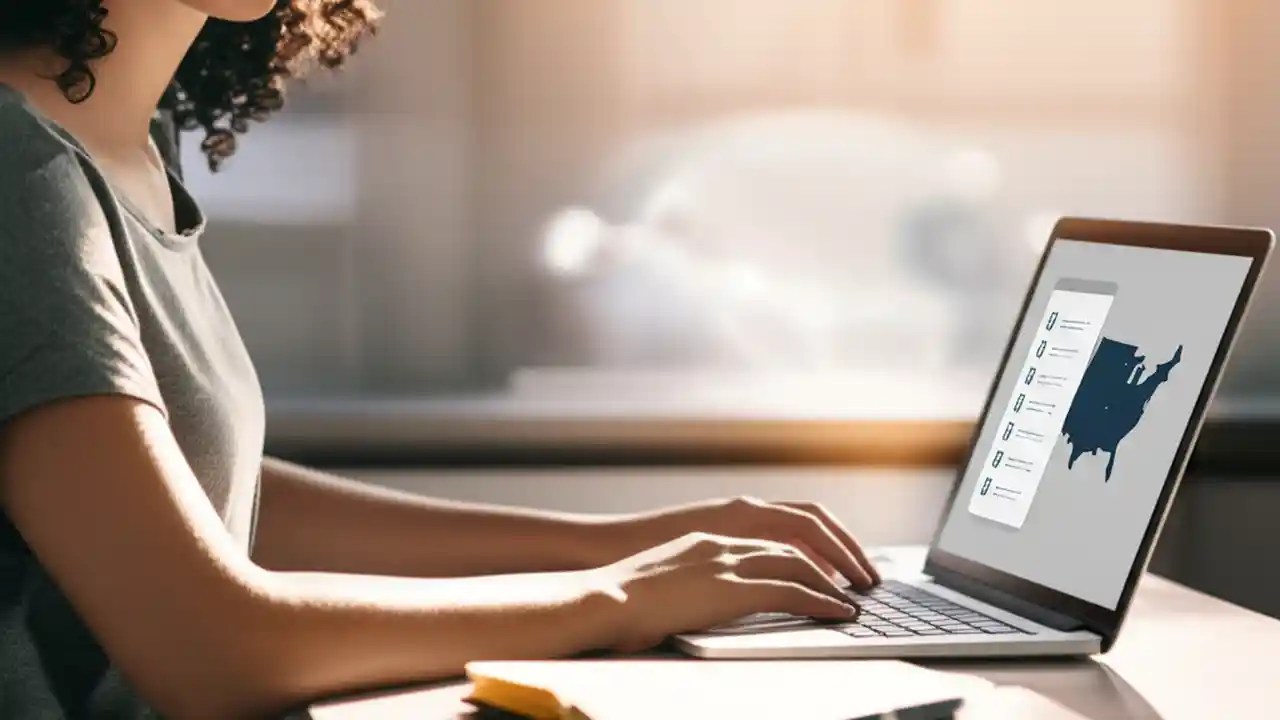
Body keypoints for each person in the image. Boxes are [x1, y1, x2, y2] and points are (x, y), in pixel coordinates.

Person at [0, 2, 880, 717]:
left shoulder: (127, 142)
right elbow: (207, 648)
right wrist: (612, 597)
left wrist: (621, 546)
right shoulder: (19, 166)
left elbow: (212, 503)